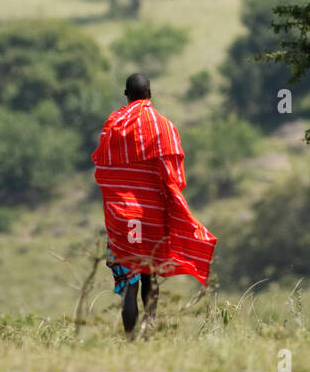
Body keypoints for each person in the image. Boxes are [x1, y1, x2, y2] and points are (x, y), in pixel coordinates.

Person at [92, 72, 217, 337]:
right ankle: (149, 328)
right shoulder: (162, 125)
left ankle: (129, 341)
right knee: (150, 273)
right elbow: (173, 177)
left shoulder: (111, 126)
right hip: (149, 216)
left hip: (122, 218)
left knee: (129, 283)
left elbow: (102, 170)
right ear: (150, 95)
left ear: (126, 94)